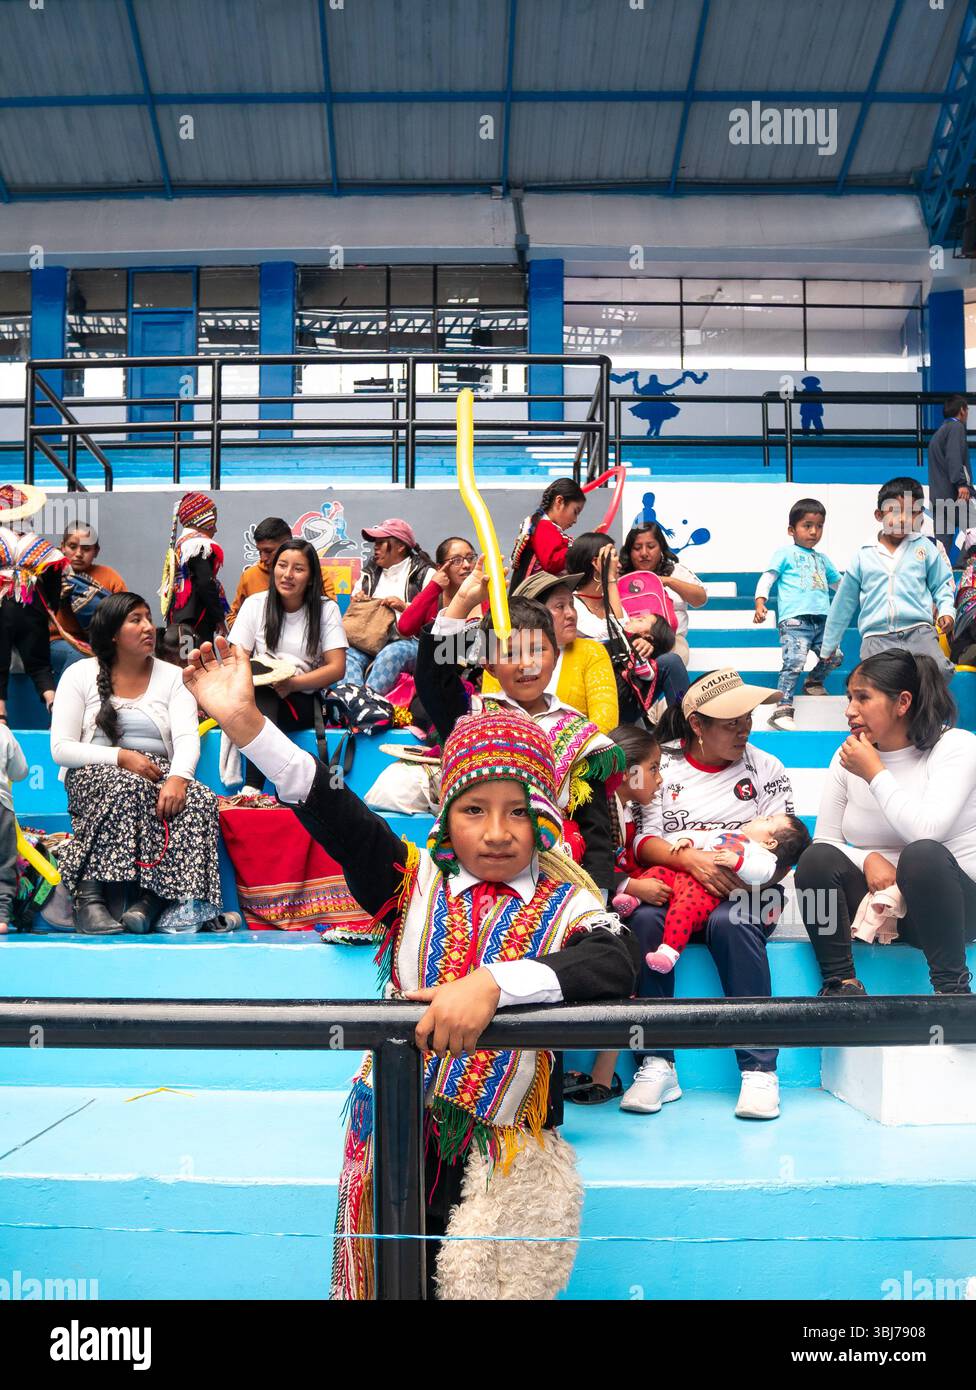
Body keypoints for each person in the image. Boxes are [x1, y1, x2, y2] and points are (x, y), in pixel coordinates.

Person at [181, 642, 640, 1301]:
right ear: (446, 817)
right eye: (475, 810)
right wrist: (246, 724)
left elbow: (614, 959)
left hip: (504, 1150)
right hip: (401, 1129)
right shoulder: (409, 881)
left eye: (519, 810)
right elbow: (333, 810)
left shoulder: (571, 902)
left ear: (546, 818)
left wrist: (491, 983)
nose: (497, 831)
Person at [618, 668, 792, 1121]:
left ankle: (759, 1070)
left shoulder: (768, 767)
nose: (744, 729)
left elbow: (787, 849)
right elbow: (643, 842)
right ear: (697, 724)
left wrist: (742, 879)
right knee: (643, 921)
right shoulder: (662, 763)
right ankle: (656, 1063)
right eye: (730, 721)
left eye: (747, 718)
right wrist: (691, 862)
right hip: (676, 886)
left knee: (729, 922)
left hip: (747, 890)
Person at [416, 569, 625, 900]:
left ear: (556, 656)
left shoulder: (580, 734)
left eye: (537, 650)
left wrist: (598, 893)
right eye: (510, 653)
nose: (526, 664)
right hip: (481, 866)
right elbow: (433, 678)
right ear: (489, 665)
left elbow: (594, 826)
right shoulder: (474, 718)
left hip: (559, 876)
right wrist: (463, 601)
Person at [794, 650, 975, 997]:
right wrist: (867, 859)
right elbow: (826, 841)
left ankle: (952, 992)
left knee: (921, 854)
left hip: (952, 909)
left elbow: (927, 831)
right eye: (849, 697)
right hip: (878, 908)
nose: (849, 710)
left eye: (862, 697)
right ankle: (841, 984)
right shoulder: (846, 755)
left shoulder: (956, 746)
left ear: (902, 702)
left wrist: (875, 772)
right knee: (816, 860)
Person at [50, 593, 222, 935]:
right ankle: (90, 897)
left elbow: (187, 738)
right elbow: (61, 749)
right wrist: (121, 757)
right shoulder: (79, 674)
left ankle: (152, 902)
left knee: (200, 800)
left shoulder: (174, 677)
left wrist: (179, 778)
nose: (149, 627)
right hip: (93, 772)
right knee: (125, 785)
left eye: (148, 618)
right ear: (113, 633)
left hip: (158, 771)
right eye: (136, 620)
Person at [617, 814, 810, 974]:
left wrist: (738, 864)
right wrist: (688, 844)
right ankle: (633, 898)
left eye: (767, 820)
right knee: (656, 878)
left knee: (686, 910)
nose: (761, 817)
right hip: (682, 874)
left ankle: (668, 952)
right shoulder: (733, 833)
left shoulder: (762, 855)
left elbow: (763, 872)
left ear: (770, 842)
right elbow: (703, 838)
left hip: (706, 891)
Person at [229, 539, 347, 790]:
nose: (288, 575)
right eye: (282, 566)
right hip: (258, 695)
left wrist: (293, 684)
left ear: (312, 577)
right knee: (262, 694)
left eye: (298, 569)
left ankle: (252, 787)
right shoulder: (254, 605)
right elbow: (237, 660)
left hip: (304, 699)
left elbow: (337, 668)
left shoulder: (327, 610)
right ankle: (259, 788)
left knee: (262, 703)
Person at [821, 477, 955, 680]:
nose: (903, 519)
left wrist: (946, 610)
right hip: (877, 637)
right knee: (879, 683)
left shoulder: (925, 548)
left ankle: (921, 711)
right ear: (878, 514)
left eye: (911, 512)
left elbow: (942, 584)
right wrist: (829, 645)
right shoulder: (863, 555)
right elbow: (843, 603)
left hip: (918, 631)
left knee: (940, 671)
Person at [481, 568, 620, 734]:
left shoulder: (591, 651)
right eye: (560, 606)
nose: (571, 614)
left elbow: (605, 723)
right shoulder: (501, 657)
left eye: (572, 605)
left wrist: (575, 748)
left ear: (555, 657)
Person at [567, 531, 690, 713]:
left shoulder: (609, 599)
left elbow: (626, 630)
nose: (620, 564)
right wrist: (609, 579)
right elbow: (616, 631)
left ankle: (684, 732)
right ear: (596, 563)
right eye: (614, 557)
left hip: (624, 686)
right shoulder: (571, 604)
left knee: (670, 661)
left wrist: (645, 642)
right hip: (593, 690)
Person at [754, 498, 842, 732]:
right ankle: (782, 709)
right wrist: (760, 602)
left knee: (835, 656)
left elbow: (841, 586)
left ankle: (814, 682)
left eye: (820, 526)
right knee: (794, 660)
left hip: (822, 621)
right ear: (792, 530)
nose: (814, 531)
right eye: (807, 525)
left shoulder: (822, 559)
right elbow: (768, 577)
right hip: (795, 621)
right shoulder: (785, 553)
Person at [343, 518, 435, 694]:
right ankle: (357, 708)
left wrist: (405, 608)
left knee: (393, 653)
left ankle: (369, 707)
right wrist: (360, 601)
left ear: (400, 546)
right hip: (368, 641)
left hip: (413, 644)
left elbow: (435, 621)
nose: (375, 548)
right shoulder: (368, 573)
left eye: (380, 543)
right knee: (348, 657)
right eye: (374, 543)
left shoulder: (426, 574)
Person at [0, 483, 67, 724]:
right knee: (39, 666)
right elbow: (53, 589)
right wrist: (48, 613)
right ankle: (56, 709)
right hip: (33, 611)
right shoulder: (42, 548)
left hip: (1, 608)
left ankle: (1, 719)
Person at [619, 521, 708, 665]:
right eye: (637, 548)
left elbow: (700, 599)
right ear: (629, 551)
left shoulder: (676, 571)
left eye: (651, 546)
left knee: (672, 660)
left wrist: (668, 581)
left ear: (661, 547)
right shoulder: (619, 577)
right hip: (628, 642)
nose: (644, 553)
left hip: (672, 641)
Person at [49, 523, 128, 684]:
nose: (78, 554)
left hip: (99, 642)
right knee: (79, 657)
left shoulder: (109, 576)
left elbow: (125, 613)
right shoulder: (50, 574)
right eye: (72, 546)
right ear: (62, 547)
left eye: (86, 549)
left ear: (96, 551)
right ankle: (65, 706)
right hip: (57, 641)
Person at [227, 518, 337, 628]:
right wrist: (248, 636)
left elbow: (330, 620)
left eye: (269, 551)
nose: (263, 558)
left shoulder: (318, 575)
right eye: (259, 551)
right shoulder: (249, 576)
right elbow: (233, 616)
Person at [160, 491, 229, 654]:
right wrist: (219, 618)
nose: (216, 529)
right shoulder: (198, 545)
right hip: (196, 620)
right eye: (213, 521)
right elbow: (205, 583)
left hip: (180, 620)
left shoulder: (182, 545)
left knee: (184, 660)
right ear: (203, 520)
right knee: (199, 664)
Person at [509, 478, 586, 592]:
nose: (575, 520)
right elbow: (551, 563)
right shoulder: (543, 527)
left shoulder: (541, 525)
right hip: (534, 600)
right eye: (575, 512)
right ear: (559, 501)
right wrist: (580, 547)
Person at [394, 536, 479, 638]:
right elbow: (405, 628)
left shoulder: (487, 596)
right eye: (456, 560)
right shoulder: (433, 598)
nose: (467, 565)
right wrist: (433, 586)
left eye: (470, 558)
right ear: (440, 568)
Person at [927, 394, 970, 560]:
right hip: (954, 494)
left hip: (939, 496)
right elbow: (954, 457)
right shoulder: (956, 428)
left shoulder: (939, 433)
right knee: (973, 526)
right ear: (962, 410)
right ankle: (963, 563)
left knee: (942, 543)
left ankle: (937, 573)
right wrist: (962, 484)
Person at [0, 721, 28, 933]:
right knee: (3, 864)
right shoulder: (3, 732)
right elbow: (20, 772)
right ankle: (1, 916)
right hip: (1, 806)